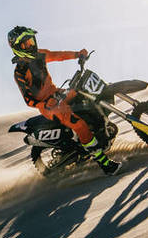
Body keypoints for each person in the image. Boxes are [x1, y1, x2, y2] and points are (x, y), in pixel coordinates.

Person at [8, 25, 120, 175]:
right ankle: (105, 164)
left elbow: (58, 55)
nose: (31, 45)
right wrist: (45, 104)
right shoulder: (20, 72)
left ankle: (99, 129)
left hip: (58, 94)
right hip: (49, 107)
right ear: (17, 47)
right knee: (79, 125)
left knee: (85, 96)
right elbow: (28, 99)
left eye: (32, 41)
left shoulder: (40, 54)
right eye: (26, 44)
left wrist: (77, 54)